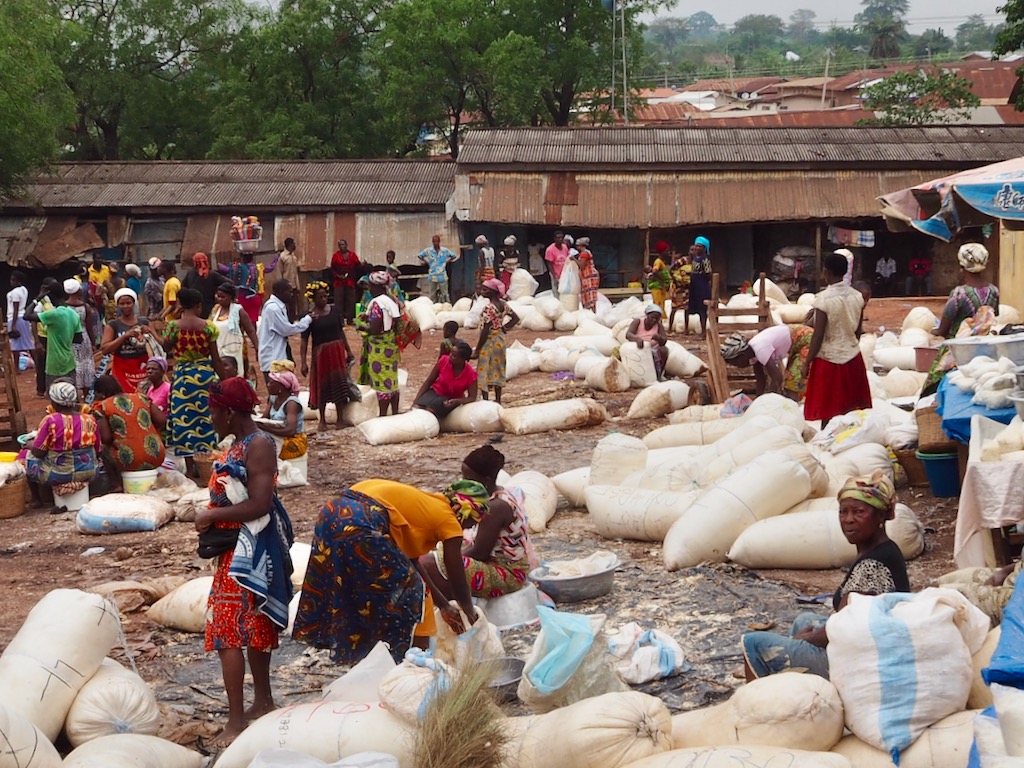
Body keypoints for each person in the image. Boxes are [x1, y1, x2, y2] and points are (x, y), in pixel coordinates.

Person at [194, 377, 294, 747]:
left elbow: (259, 504)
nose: (212, 418)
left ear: (231, 412)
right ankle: (262, 701)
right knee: (250, 626)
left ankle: (236, 721)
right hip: (234, 549)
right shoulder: (240, 444)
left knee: (228, 633)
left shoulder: (259, 446)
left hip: (247, 553)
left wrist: (208, 518)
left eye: (215, 412)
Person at [293, 478, 487, 664]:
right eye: (471, 523)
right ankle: (415, 664)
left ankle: (360, 657)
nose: (468, 528)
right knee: (414, 594)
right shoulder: (449, 519)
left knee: (353, 588)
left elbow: (413, 564)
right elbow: (456, 570)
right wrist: (468, 612)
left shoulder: (427, 503)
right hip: (362, 521)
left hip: (332, 512)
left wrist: (444, 606)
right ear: (466, 511)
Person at [741, 470, 909, 680]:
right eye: (843, 512)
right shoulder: (882, 549)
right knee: (805, 620)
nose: (848, 520)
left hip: (862, 662)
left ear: (881, 515)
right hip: (865, 647)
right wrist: (809, 635)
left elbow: (846, 627)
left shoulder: (873, 565)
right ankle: (792, 687)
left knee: (753, 643)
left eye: (858, 512)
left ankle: (757, 703)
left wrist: (809, 640)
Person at [419, 445, 538, 600]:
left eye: (469, 479)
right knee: (437, 556)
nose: (464, 483)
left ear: (485, 481)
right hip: (498, 563)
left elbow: (479, 553)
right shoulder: (494, 496)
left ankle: (457, 608)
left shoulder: (495, 507)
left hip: (508, 572)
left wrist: (446, 559)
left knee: (429, 564)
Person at [802, 252, 872, 427]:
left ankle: (827, 442)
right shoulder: (857, 296)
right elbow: (858, 330)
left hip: (828, 360)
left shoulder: (823, 299)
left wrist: (807, 362)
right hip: (853, 357)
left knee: (828, 411)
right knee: (851, 410)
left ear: (826, 272)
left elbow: (818, 335)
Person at [163, 288, 224, 478]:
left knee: (184, 422)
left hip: (183, 379)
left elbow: (165, 347)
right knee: (206, 419)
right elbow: (216, 358)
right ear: (198, 306)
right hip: (205, 376)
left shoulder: (173, 326)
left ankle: (190, 469)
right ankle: (208, 466)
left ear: (180, 304)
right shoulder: (208, 327)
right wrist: (226, 381)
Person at [23, 381, 100, 511]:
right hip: (89, 472)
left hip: (58, 474)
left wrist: (30, 445)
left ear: (54, 402)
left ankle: (36, 499)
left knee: (29, 456)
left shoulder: (51, 420)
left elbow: (38, 453)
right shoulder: (89, 419)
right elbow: (98, 450)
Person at [91, 375, 166, 490]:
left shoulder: (102, 407)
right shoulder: (141, 398)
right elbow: (162, 420)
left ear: (101, 393)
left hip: (130, 461)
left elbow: (106, 438)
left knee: (104, 448)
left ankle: (116, 484)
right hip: (156, 455)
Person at [300, 281, 357, 432]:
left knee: (339, 384)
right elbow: (304, 340)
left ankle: (340, 420)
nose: (324, 299)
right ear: (313, 298)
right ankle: (322, 421)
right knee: (322, 386)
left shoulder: (334, 311)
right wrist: (303, 362)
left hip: (336, 352)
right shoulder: (310, 316)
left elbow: (341, 332)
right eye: (320, 297)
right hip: (322, 355)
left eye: (325, 296)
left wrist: (348, 351)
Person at [358, 272, 402, 417]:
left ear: (376, 286)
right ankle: (395, 413)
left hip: (380, 348)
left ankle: (383, 415)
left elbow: (375, 329)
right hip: (391, 345)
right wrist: (368, 316)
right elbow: (391, 320)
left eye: (370, 286)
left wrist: (363, 327)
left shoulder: (377, 304)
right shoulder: (391, 300)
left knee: (382, 382)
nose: (369, 289)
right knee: (392, 381)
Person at [24, 284, 83, 390]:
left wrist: (37, 298)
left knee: (55, 395)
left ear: (50, 298)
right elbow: (79, 339)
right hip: (69, 361)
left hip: (54, 364)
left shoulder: (53, 314)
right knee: (70, 393)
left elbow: (26, 315)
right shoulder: (73, 314)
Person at [100, 288, 157, 394]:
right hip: (122, 369)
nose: (125, 306)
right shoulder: (113, 325)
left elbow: (160, 343)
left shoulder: (144, 322)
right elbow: (105, 349)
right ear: (117, 305)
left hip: (143, 369)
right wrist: (124, 336)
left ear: (134, 303)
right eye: (122, 303)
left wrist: (150, 333)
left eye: (128, 303)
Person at [937, 243, 999, 339]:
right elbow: (993, 319)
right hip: (985, 343)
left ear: (962, 267)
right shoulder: (994, 291)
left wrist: (929, 332)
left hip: (959, 347)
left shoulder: (958, 294)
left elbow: (942, 331)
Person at [258, 280, 312, 387]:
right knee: (277, 391)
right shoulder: (273, 308)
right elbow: (286, 330)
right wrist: (307, 320)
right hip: (273, 357)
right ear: (280, 292)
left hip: (278, 354)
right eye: (289, 292)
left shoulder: (278, 306)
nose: (291, 295)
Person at [475, 278, 519, 404]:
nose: (482, 291)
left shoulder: (488, 308)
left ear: (493, 291)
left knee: (484, 368)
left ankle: (486, 400)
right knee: (498, 368)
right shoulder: (503, 305)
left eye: (485, 289)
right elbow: (515, 318)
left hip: (489, 340)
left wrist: (478, 348)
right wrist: (505, 328)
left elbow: (485, 329)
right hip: (500, 339)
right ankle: (498, 400)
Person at [720, 325, 792, 396]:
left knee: (792, 389)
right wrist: (757, 402)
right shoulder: (754, 355)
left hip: (798, 337)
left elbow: (777, 377)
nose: (739, 367)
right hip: (792, 344)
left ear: (741, 356)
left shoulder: (760, 350)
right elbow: (761, 380)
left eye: (737, 364)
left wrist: (767, 400)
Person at [414, 341, 479, 418]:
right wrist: (416, 400)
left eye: (454, 355)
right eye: (451, 353)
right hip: (435, 392)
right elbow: (429, 381)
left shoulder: (471, 374)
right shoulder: (443, 361)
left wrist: (457, 401)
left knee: (430, 411)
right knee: (417, 408)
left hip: (451, 398)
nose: (450, 356)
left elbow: (472, 397)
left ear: (462, 359)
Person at [210, 283, 259, 384]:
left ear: (231, 297)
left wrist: (257, 348)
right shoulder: (215, 310)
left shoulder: (238, 310)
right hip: (218, 349)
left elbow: (250, 330)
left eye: (223, 297)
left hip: (234, 350)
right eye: (218, 296)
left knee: (236, 376)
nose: (219, 299)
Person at [262, 362, 306, 461]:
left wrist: (264, 428)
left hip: (293, 441)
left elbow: (290, 431)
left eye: (271, 383)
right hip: (279, 436)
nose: (268, 385)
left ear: (281, 387)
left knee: (264, 450)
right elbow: (264, 419)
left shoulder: (291, 404)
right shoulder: (273, 398)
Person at [62, 279, 98, 397]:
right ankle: (87, 395)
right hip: (83, 338)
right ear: (79, 291)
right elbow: (89, 327)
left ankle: (74, 395)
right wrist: (93, 342)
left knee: (74, 364)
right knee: (86, 364)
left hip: (68, 338)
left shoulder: (63, 307)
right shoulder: (85, 307)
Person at [29, 278, 58, 397]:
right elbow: (33, 321)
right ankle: (41, 389)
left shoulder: (54, 301)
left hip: (53, 337)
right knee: (42, 363)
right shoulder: (41, 302)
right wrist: (37, 341)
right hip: (43, 337)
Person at [626, 305, 669, 380]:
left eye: (657, 318)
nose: (654, 320)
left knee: (664, 350)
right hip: (639, 347)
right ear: (647, 315)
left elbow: (664, 341)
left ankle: (658, 375)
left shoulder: (658, 325)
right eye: (652, 317)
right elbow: (628, 334)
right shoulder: (638, 322)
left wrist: (659, 338)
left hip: (653, 348)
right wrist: (637, 339)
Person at [182, 252, 229, 318]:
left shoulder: (191, 273)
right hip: (206, 308)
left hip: (196, 309)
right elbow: (229, 283)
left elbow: (183, 288)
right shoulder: (212, 274)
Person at [417, 235, 459, 304]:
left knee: (444, 293)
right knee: (432, 294)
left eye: (436, 241)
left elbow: (453, 256)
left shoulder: (444, 251)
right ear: (432, 242)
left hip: (442, 275)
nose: (435, 243)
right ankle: (432, 307)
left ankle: (446, 306)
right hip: (433, 274)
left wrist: (446, 262)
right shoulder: (428, 251)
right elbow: (420, 255)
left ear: (439, 241)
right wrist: (427, 262)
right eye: (434, 241)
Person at [783, 318, 815, 402]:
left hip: (807, 345)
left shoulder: (802, 353)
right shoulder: (799, 335)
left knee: (795, 374)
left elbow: (791, 353)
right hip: (807, 343)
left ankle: (794, 397)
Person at [330, 239, 360, 325]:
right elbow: (332, 268)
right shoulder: (336, 256)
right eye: (340, 245)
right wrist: (338, 276)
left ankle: (350, 319)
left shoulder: (352, 255)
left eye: (343, 244)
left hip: (350, 281)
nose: (342, 246)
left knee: (351, 300)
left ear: (346, 245)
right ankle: (340, 320)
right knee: (339, 301)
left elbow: (358, 266)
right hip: (339, 281)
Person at [688, 236, 713, 340]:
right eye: (696, 245)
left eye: (700, 246)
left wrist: (702, 281)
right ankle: (702, 331)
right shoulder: (694, 259)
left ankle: (703, 332)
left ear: (705, 248)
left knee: (703, 309)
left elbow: (708, 273)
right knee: (697, 308)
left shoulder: (705, 259)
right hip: (694, 286)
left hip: (702, 286)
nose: (697, 248)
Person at [7, 271, 35, 363]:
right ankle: (37, 363)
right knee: (28, 342)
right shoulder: (24, 289)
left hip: (15, 318)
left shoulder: (15, 293)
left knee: (15, 344)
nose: (11, 282)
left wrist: (13, 325)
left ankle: (16, 367)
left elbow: (16, 309)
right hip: (23, 318)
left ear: (18, 281)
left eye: (13, 280)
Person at [277, 238, 301, 320]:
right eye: (293, 244)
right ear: (289, 245)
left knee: (293, 307)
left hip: (293, 286)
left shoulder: (294, 257)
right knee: (286, 306)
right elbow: (279, 272)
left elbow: (295, 273)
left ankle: (292, 323)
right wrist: (281, 286)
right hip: (286, 286)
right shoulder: (282, 257)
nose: (295, 246)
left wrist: (298, 286)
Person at [668, 249, 691, 335]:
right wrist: (677, 279)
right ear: (689, 252)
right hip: (677, 288)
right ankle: (670, 328)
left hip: (687, 288)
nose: (693, 252)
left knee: (687, 308)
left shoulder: (695, 263)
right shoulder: (683, 260)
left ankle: (686, 329)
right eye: (692, 250)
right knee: (674, 308)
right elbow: (671, 269)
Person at [646, 242, 672, 313]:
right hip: (657, 289)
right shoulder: (658, 262)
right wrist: (662, 280)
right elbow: (655, 271)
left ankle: (659, 323)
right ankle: (658, 323)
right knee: (658, 308)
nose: (668, 253)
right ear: (662, 252)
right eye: (667, 251)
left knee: (661, 307)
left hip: (660, 288)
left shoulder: (661, 262)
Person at [576, 237, 600, 311]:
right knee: (587, 296)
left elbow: (582, 266)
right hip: (586, 277)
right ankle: (589, 312)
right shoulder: (584, 253)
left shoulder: (585, 253)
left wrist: (574, 259)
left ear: (580, 246)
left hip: (590, 277)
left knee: (590, 297)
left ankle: (592, 313)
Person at [544, 231, 569, 298]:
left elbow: (567, 259)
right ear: (554, 239)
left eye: (561, 238)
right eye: (558, 238)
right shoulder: (550, 249)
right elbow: (549, 264)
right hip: (555, 273)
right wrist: (554, 276)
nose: (560, 239)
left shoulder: (565, 247)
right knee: (556, 290)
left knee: (565, 290)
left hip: (564, 273)